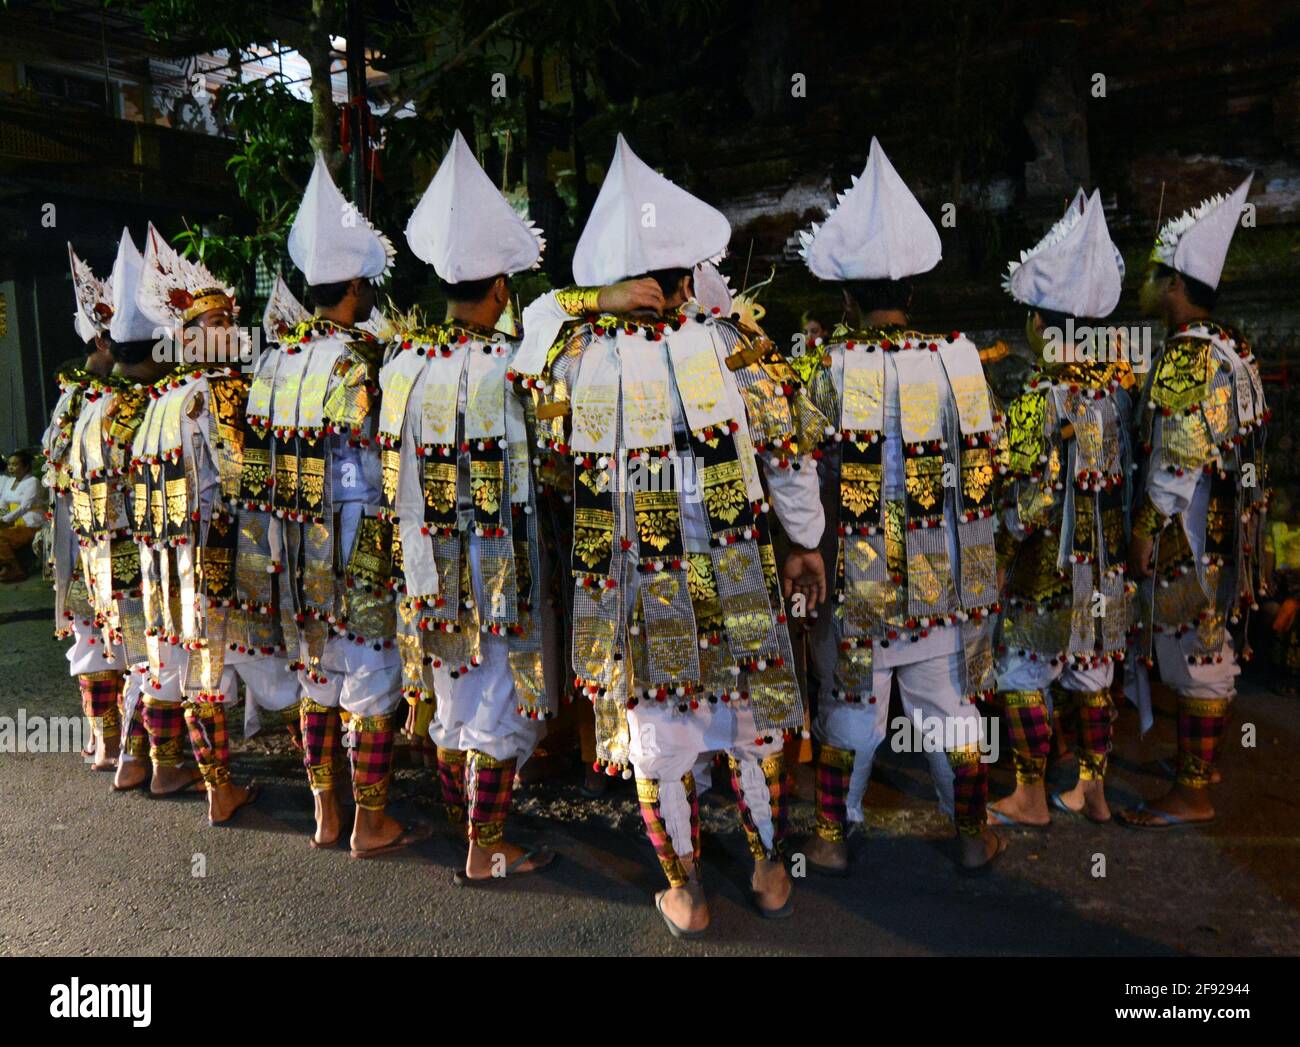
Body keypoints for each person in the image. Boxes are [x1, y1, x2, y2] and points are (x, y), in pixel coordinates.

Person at [514, 134, 828, 937]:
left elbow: (531, 332)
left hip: (638, 582)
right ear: (692, 274)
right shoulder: (735, 345)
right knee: (751, 718)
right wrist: (805, 543)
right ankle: (768, 871)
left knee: (660, 737)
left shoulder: (580, 354)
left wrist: (594, 305)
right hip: (741, 572)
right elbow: (788, 458)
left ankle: (686, 894)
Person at [793, 138, 1005, 875]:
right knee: (949, 710)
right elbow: (991, 457)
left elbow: (799, 466)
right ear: (913, 290)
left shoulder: (827, 368)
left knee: (850, 707)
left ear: (848, 298)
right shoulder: (961, 357)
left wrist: (806, 548)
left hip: (856, 580)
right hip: (942, 575)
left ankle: (828, 839)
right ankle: (973, 835)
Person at [381, 130, 558, 882]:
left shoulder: (401, 366)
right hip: (497, 569)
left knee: (453, 700)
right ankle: (486, 849)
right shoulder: (514, 367)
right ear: (498, 293)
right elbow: (550, 462)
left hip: (424, 564)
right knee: (495, 709)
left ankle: (467, 832)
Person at [253, 154, 428, 857]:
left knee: (315, 675)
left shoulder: (273, 360)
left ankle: (326, 814)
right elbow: (381, 454)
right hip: (357, 538)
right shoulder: (365, 357)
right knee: (370, 674)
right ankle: (371, 821)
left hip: (292, 542)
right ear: (355, 285)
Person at [1120, 175, 1268, 829]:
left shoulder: (1187, 354)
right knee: (1209, 642)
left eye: (1154, 276)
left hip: (1188, 523)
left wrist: (1148, 524)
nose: (1146, 287)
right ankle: (1195, 770)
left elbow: (1177, 452)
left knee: (1194, 650)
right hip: (1226, 516)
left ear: (1175, 284)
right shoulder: (1233, 345)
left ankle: (1192, 790)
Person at [988, 189, 1134, 828]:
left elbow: (1033, 500)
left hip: (1047, 565)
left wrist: (1000, 542)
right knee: (1094, 668)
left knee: (1024, 671)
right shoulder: (1116, 395)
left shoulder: (1035, 401)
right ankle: (1092, 790)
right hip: (1104, 561)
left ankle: (1028, 794)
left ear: (1042, 327)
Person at [127, 222, 274, 823]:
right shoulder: (219, 395)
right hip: (211, 553)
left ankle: (198, 779)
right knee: (213, 673)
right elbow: (248, 482)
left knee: (185, 670)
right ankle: (220, 791)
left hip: (166, 563)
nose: (231, 333)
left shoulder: (158, 402)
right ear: (188, 340)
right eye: (217, 326)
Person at [0, 450, 44, 582]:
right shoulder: (9, 482)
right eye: (9, 464)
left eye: (15, 464)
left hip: (29, 522)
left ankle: (14, 568)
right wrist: (1, 513)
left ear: (25, 466)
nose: (11, 467)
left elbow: (25, 506)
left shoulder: (32, 482)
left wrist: (4, 519)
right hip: (12, 520)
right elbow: (3, 502)